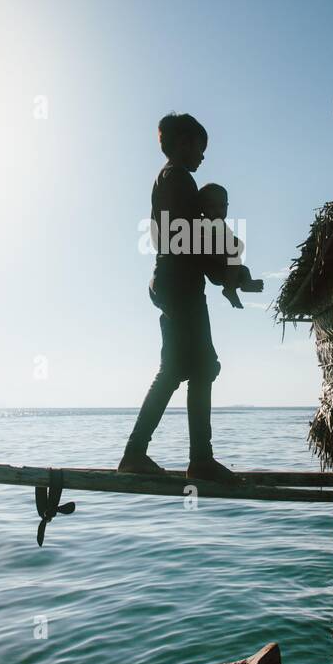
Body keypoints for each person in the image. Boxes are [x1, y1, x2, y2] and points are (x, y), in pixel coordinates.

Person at [119, 113, 239, 483]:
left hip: (173, 284)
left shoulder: (172, 180)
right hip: (180, 286)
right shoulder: (179, 181)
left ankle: (138, 453)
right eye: (201, 148)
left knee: (178, 370)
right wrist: (229, 272)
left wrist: (226, 275)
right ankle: (197, 460)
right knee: (200, 368)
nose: (203, 157)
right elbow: (193, 241)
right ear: (184, 144)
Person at [196, 183, 263, 309]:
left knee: (244, 270)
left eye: (222, 206)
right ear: (202, 208)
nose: (218, 211)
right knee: (235, 255)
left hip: (225, 268)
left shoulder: (220, 224)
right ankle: (229, 289)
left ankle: (243, 284)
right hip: (214, 267)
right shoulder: (203, 223)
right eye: (212, 206)